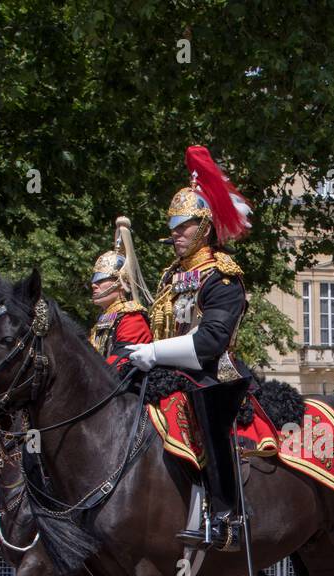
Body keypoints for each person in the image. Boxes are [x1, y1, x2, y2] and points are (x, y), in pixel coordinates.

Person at [128, 145, 254, 551]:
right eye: (173, 226)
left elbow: (210, 342)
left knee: (208, 412)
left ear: (204, 226)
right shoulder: (170, 276)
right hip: (169, 371)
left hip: (216, 373)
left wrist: (156, 354)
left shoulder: (223, 275)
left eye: (183, 226)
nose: (175, 234)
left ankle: (227, 516)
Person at [88, 215, 154, 360]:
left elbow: (122, 361)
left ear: (122, 282)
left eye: (101, 279)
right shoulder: (104, 317)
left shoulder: (132, 317)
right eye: (94, 279)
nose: (94, 285)